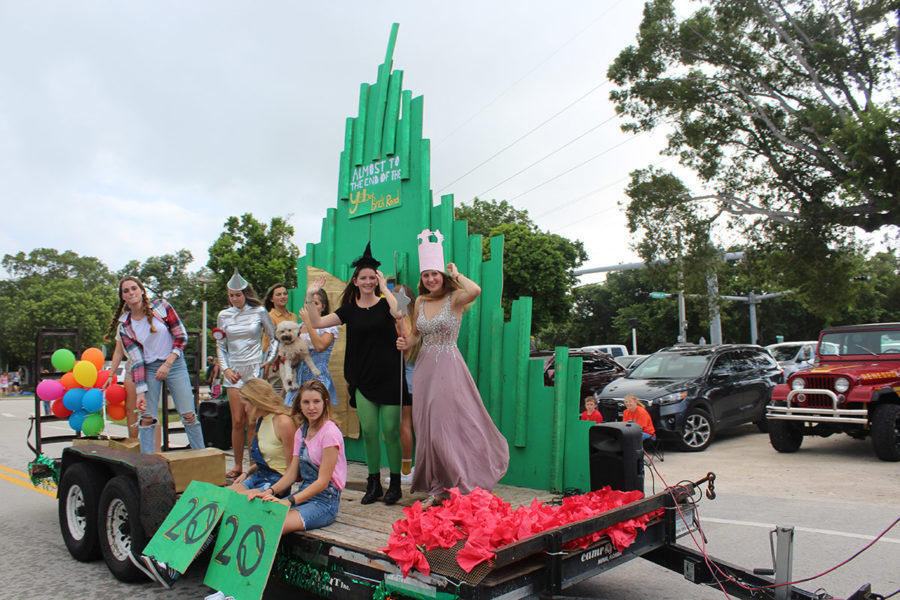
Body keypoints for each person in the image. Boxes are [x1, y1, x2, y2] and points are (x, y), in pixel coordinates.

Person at [397, 229, 509, 504]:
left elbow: (476, 290)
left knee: (445, 424)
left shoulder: (455, 298)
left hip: (448, 366)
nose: (430, 279)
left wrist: (456, 274)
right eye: (426, 275)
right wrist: (405, 343)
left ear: (442, 276)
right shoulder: (420, 301)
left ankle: (457, 482)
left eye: (435, 274)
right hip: (424, 368)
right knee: (427, 427)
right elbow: (415, 337)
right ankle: (437, 485)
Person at [304, 243, 409, 505]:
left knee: (391, 430)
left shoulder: (387, 304)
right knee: (371, 431)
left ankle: (395, 483)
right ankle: (373, 483)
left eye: (372, 277)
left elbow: (400, 313)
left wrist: (386, 289)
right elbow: (316, 322)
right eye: (364, 277)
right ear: (355, 280)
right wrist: (311, 294)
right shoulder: (348, 309)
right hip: (362, 378)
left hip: (390, 376)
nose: (368, 281)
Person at [105, 276, 204, 455]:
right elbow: (137, 360)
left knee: (188, 415)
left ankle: (203, 456)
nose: (131, 293)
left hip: (174, 363)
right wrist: (140, 392)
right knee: (147, 417)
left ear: (142, 291)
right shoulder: (125, 326)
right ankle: (148, 463)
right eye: (126, 291)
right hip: (149, 368)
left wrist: (167, 364)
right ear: (123, 297)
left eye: (134, 288)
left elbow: (181, 336)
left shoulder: (161, 307)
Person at [251, 379, 346, 534]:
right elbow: (292, 474)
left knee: (272, 526)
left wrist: (289, 501)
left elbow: (322, 482)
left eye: (316, 401)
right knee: (255, 515)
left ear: (325, 403)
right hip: (303, 495)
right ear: (299, 405)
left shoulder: (330, 433)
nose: (311, 407)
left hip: (324, 502)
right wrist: (269, 492)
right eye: (306, 402)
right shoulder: (301, 431)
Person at [215, 268, 278, 478]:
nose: (235, 299)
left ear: (245, 293)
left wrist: (267, 360)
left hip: (254, 370)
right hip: (233, 372)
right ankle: (236, 465)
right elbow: (220, 346)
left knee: (252, 420)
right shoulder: (223, 316)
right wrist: (225, 369)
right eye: (231, 296)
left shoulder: (259, 311)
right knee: (237, 421)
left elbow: (274, 337)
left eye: (238, 295)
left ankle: (254, 464)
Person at [230, 378, 299, 494]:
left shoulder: (283, 422)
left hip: (276, 484)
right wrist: (246, 472)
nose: (245, 410)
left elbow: (292, 469)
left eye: (245, 405)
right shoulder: (261, 420)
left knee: (235, 501)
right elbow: (268, 459)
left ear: (256, 401)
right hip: (258, 476)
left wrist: (273, 491)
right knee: (219, 496)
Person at [290, 286, 338, 405]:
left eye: (315, 303)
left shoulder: (329, 326)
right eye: (307, 303)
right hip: (298, 377)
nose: (310, 306)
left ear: (323, 306)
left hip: (318, 377)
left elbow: (320, 346)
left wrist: (308, 323)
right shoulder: (297, 327)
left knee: (316, 412)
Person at [392, 283, 417, 484]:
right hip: (416, 378)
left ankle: (407, 472)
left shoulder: (402, 321)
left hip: (407, 379)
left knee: (405, 424)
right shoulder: (417, 319)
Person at [262, 282, 297, 394]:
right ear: (271, 299)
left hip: (293, 363)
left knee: (292, 397)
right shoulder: (269, 317)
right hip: (277, 364)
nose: (283, 296)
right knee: (277, 397)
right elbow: (269, 343)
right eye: (278, 294)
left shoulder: (293, 316)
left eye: (285, 294)